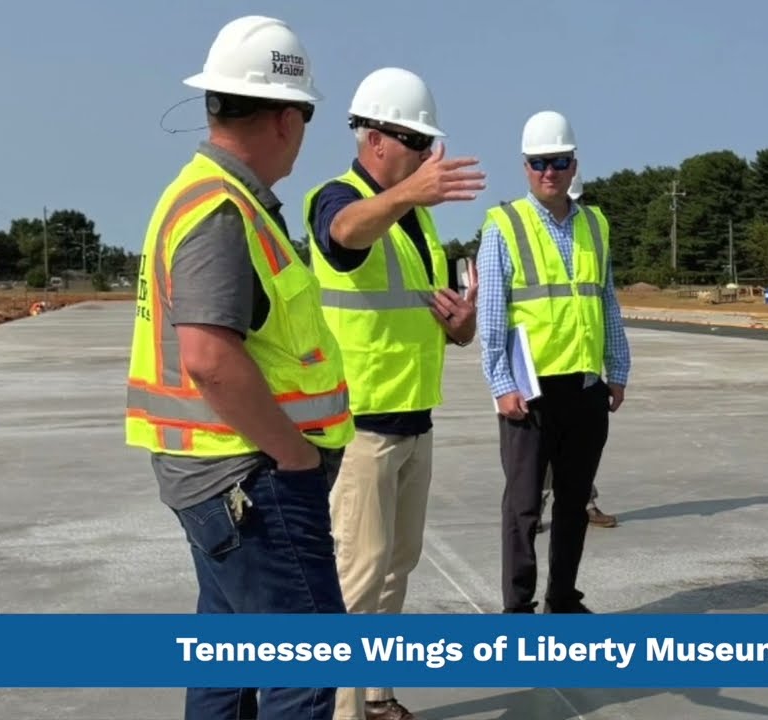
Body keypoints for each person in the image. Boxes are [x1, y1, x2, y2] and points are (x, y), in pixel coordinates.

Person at [125, 16, 352, 720]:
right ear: (287, 118)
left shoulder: (214, 197)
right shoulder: (221, 211)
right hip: (248, 479)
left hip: (221, 477)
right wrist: (296, 460)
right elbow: (209, 357)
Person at [302, 67, 485, 720]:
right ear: (374, 138)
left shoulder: (419, 229)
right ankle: (342, 712)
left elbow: (432, 323)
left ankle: (375, 697)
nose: (424, 156)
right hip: (361, 428)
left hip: (413, 422)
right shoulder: (336, 198)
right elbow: (345, 233)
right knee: (357, 576)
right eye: (413, 141)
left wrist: (460, 326)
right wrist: (408, 195)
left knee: (396, 569)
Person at [476, 110, 631, 614]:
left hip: (585, 388)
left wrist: (618, 369)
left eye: (559, 162)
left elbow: (605, 298)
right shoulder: (504, 225)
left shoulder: (596, 223)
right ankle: (517, 610)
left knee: (572, 504)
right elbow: (492, 313)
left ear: (573, 164)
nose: (550, 172)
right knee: (522, 507)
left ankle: (562, 598)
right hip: (530, 392)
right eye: (540, 163)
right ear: (525, 167)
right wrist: (501, 384)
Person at [538, 175, 619, 531]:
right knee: (543, 460)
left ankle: (583, 501)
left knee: (576, 458)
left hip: (583, 374)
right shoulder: (527, 231)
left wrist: (616, 369)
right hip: (542, 375)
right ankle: (536, 506)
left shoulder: (592, 229)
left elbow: (606, 303)